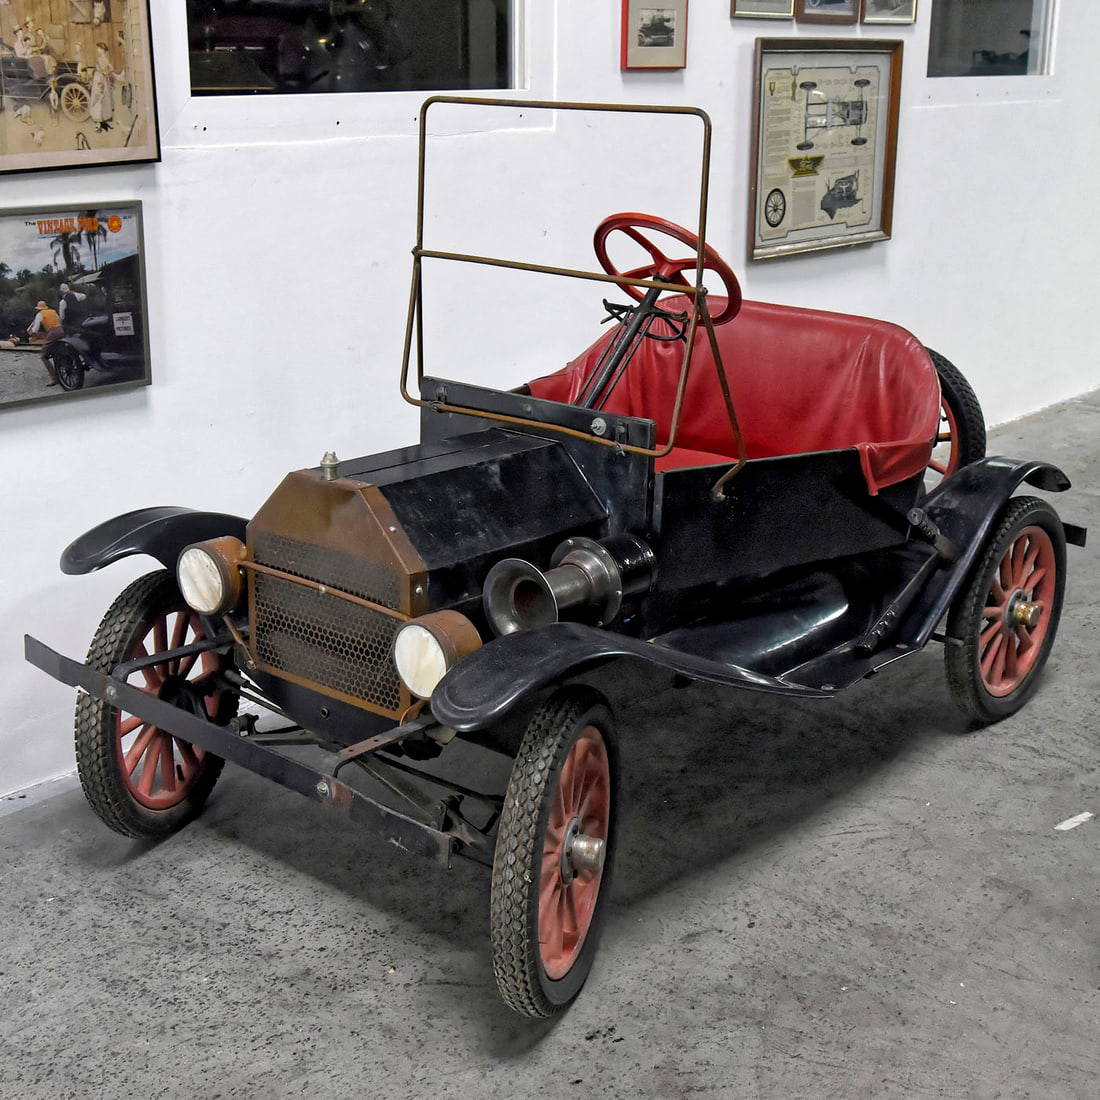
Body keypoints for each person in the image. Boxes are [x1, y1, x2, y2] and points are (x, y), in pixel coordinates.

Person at [26, 301, 64, 387]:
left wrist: (31, 333)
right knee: (57, 351)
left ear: (38, 309)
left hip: (52, 333)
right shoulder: (53, 311)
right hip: (61, 331)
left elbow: (35, 330)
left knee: (44, 356)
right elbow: (60, 321)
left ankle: (54, 378)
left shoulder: (39, 315)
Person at [89, 42, 123, 132]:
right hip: (102, 79)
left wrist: (103, 73)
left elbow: (106, 69)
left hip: (100, 81)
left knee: (98, 100)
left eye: (99, 49)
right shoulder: (105, 59)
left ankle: (99, 124)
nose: (97, 50)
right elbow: (111, 68)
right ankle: (102, 122)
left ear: (103, 50)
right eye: (97, 48)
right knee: (102, 100)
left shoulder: (102, 59)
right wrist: (106, 73)